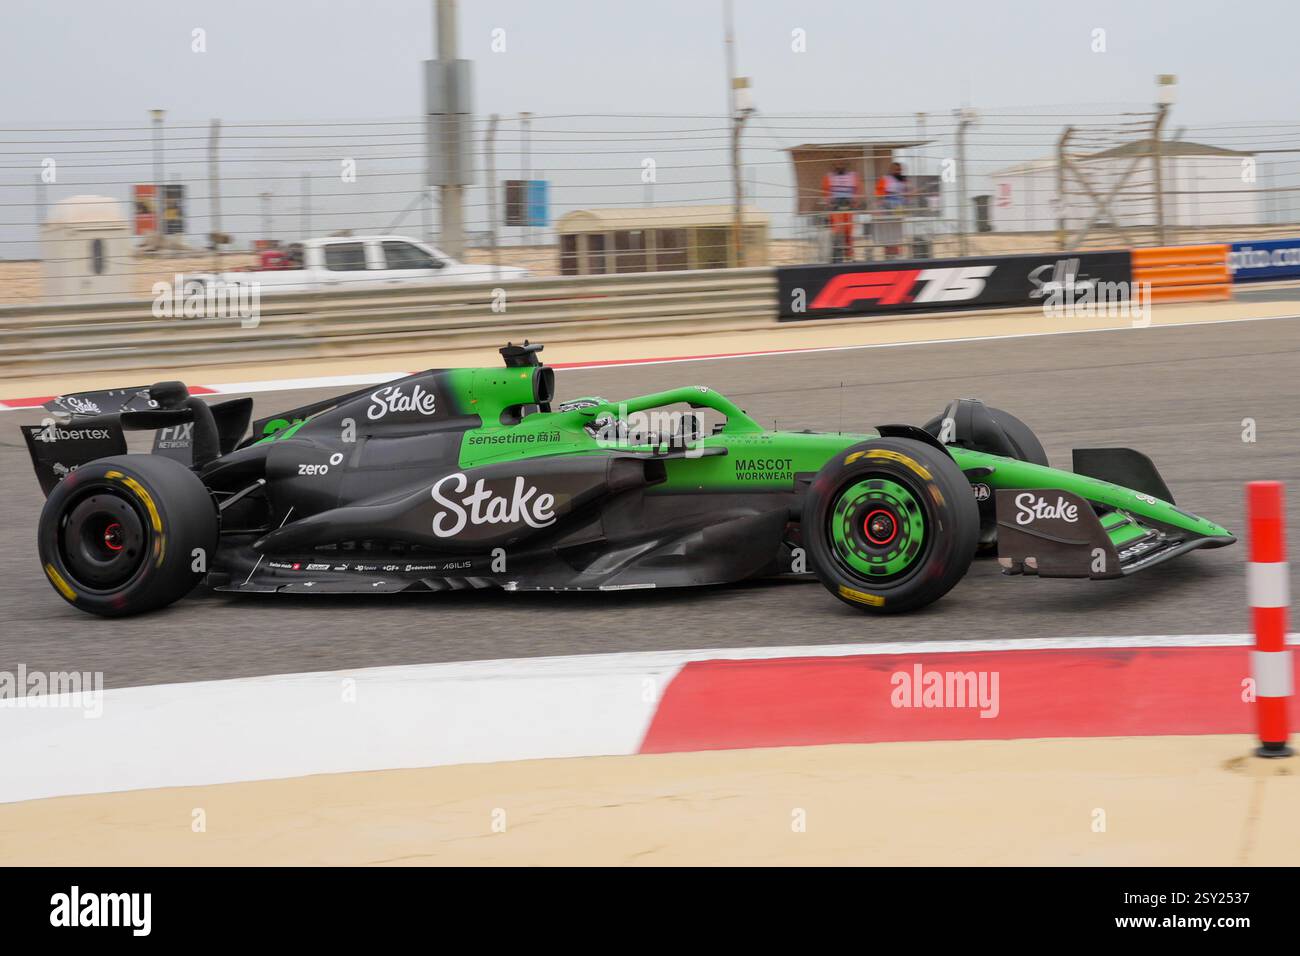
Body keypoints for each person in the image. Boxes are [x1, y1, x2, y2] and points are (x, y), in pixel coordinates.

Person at [821, 162, 862, 262]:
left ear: (845, 165)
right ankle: (837, 256)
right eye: (837, 164)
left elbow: (858, 190)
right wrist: (829, 204)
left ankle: (849, 256)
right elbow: (825, 192)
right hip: (836, 208)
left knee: (849, 231)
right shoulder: (829, 177)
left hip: (849, 206)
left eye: (841, 164)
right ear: (834, 166)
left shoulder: (853, 176)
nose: (839, 166)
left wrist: (855, 202)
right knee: (838, 231)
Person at [875, 161, 911, 259]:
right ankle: (888, 254)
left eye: (899, 169)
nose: (898, 171)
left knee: (897, 233)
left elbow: (907, 194)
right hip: (887, 210)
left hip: (899, 210)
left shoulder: (904, 180)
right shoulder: (885, 179)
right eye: (896, 169)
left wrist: (907, 200)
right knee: (888, 232)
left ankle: (897, 254)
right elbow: (879, 195)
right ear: (891, 170)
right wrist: (880, 208)